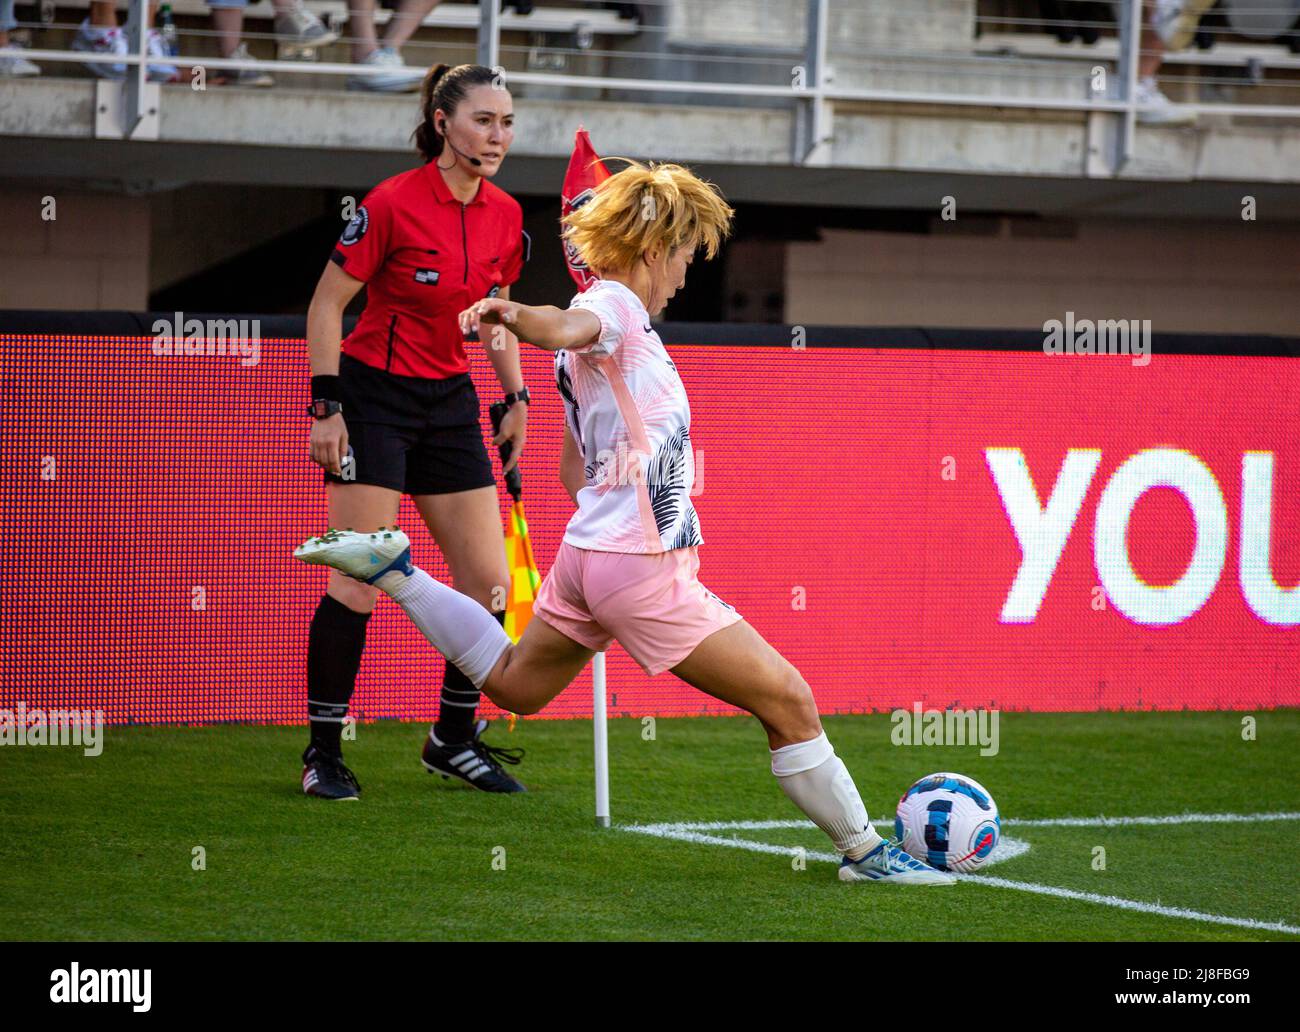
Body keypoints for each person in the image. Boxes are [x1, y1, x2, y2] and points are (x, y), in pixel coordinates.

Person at [295, 159, 955, 885]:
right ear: (650, 250)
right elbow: (564, 323)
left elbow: (572, 472)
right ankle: (865, 855)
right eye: (681, 255)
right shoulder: (615, 309)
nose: (683, 273)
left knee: (514, 686)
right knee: (789, 698)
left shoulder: (598, 344)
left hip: (592, 555)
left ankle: (397, 572)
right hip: (640, 564)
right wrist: (512, 313)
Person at [300, 62, 532, 800]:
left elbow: (498, 319)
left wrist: (517, 397)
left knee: (489, 583)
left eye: (506, 123)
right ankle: (323, 756)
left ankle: (452, 741)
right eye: (482, 120)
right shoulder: (391, 203)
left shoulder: (505, 215)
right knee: (359, 577)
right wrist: (326, 407)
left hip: (449, 402)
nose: (496, 135)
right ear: (443, 123)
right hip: (370, 399)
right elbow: (327, 305)